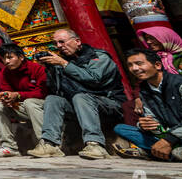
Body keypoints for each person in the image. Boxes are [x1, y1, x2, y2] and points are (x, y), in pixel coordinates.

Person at [29, 29, 124, 160]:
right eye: (56, 43)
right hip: (80, 104)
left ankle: (95, 144)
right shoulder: (64, 61)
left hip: (108, 103)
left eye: (62, 42)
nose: (59, 46)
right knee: (53, 99)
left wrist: (63, 64)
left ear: (77, 41)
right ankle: (49, 144)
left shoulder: (99, 57)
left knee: (80, 96)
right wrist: (50, 69)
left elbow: (94, 79)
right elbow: (56, 90)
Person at [112, 48, 182, 161]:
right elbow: (154, 121)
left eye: (139, 64)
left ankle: (166, 153)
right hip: (168, 134)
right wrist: (145, 125)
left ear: (158, 65)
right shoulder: (144, 91)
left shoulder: (181, 84)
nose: (134, 68)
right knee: (121, 129)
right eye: (130, 65)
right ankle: (176, 153)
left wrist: (169, 140)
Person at [0, 43, 49, 157]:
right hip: (22, 107)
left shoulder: (37, 68)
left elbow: (43, 93)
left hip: (42, 106)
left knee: (29, 102)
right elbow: (7, 90)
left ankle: (45, 144)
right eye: (4, 58)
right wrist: (7, 98)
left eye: (10, 57)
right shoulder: (5, 72)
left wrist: (18, 95)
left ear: (21, 57)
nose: (6, 61)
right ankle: (9, 147)